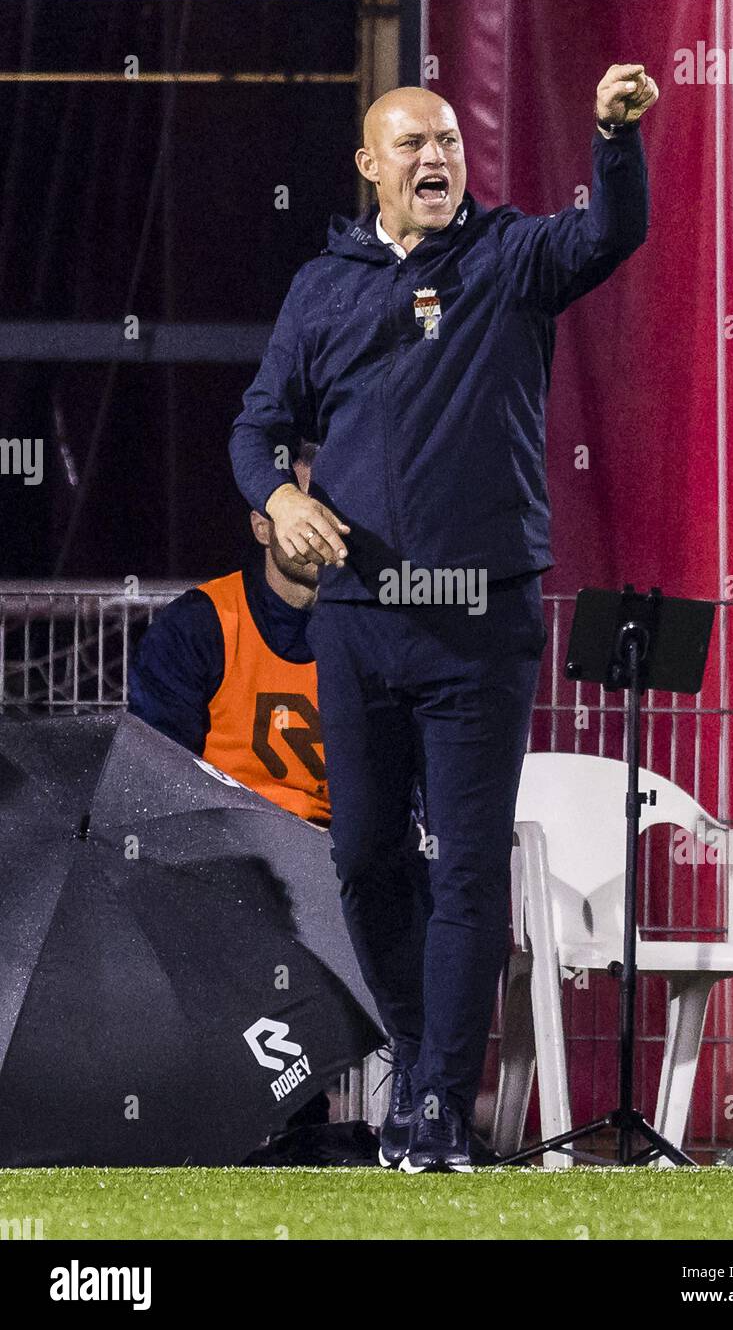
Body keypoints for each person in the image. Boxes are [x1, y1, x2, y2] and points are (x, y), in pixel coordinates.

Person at [230, 71, 657, 1172]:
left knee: (467, 866)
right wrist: (280, 497)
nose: (435, 158)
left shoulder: (510, 258)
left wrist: (611, 137)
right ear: (368, 167)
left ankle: (430, 1107)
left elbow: (612, 231)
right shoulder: (323, 286)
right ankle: (420, 1065)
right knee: (369, 859)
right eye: (410, 143)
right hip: (361, 620)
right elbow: (258, 426)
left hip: (479, 619)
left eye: (450, 141)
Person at [129, 449, 330, 826]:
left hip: (334, 863)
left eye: (329, 514)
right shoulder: (197, 628)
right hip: (224, 853)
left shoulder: (377, 634)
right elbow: (155, 779)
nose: (319, 530)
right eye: (303, 512)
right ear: (262, 526)